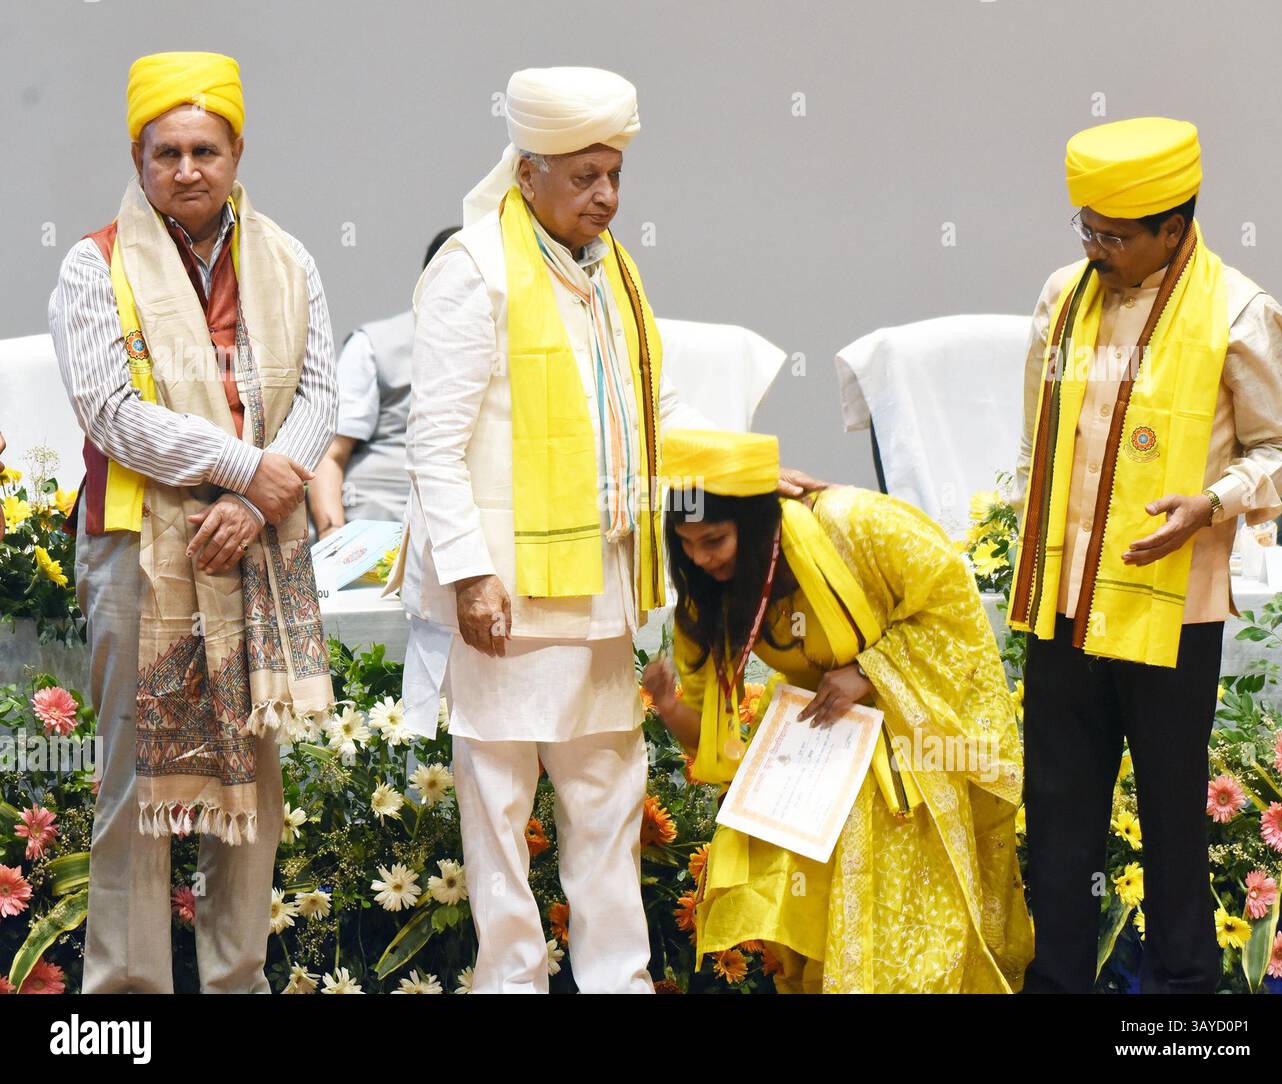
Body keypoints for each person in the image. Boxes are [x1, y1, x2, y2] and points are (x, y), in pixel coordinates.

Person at [386, 66, 820, 993]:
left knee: (609, 806)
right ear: (528, 168)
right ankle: (511, 983)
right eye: (584, 175)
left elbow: (645, 414)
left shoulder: (612, 271)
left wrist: (742, 479)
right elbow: (434, 439)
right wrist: (467, 575)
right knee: (499, 813)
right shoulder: (475, 269)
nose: (607, 195)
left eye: (615, 173)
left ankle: (617, 983)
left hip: (602, 593)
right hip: (504, 596)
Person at [48, 51, 337, 993]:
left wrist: (256, 503)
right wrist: (248, 472)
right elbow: (111, 411)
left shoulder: (288, 260)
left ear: (236, 150)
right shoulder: (93, 265)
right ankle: (125, 1001)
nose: (186, 169)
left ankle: (234, 982)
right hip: (141, 552)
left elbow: (320, 393)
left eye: (204, 149)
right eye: (165, 151)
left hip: (255, 545)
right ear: (138, 158)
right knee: (141, 784)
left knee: (248, 779)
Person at [1009, 117, 1282, 993]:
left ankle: (1183, 1004)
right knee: (1059, 816)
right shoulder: (1063, 296)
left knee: (1173, 815)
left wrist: (1212, 503)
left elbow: (1281, 447)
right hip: (1064, 599)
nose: (1096, 248)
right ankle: (1058, 981)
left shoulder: (1238, 312)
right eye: (1087, 229)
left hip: (1174, 603)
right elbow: (1036, 440)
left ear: (1172, 230)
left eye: (1115, 235)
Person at [645, 428, 1032, 992]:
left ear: (754, 526)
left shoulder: (855, 524)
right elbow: (711, 739)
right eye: (687, 544)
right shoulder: (709, 599)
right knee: (826, 932)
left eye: (715, 540)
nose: (701, 560)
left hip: (906, 749)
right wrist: (666, 705)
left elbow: (952, 598)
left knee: (913, 937)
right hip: (816, 764)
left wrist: (868, 671)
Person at [308, 227, 458, 533]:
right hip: (377, 525)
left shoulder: (507, 350)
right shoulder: (374, 345)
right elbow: (329, 453)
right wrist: (332, 536)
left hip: (464, 528)